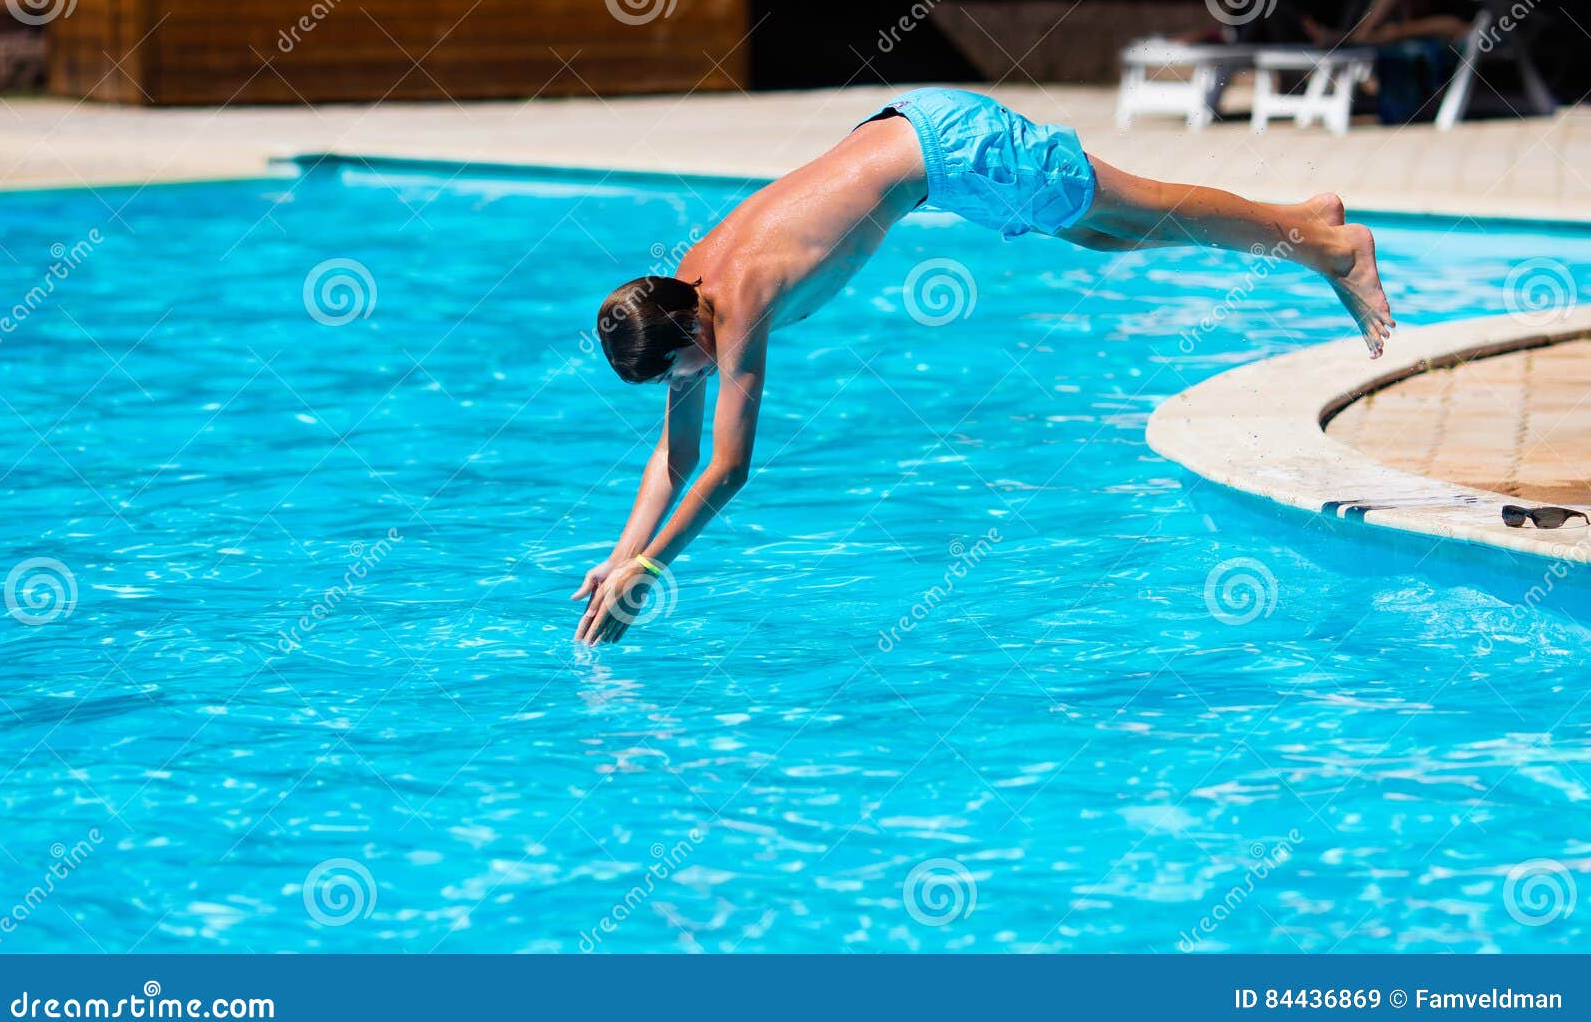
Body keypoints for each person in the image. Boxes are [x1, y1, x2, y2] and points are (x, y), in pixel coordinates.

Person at [572, 88, 1393, 644]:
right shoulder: (685, 297)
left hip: (961, 149)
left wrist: (651, 571)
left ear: (683, 317)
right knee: (1113, 232)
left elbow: (725, 468)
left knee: (1135, 214)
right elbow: (674, 454)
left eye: (682, 368)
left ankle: (1329, 243)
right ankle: (1304, 223)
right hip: (930, 148)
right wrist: (622, 551)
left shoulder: (739, 296)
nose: (687, 382)